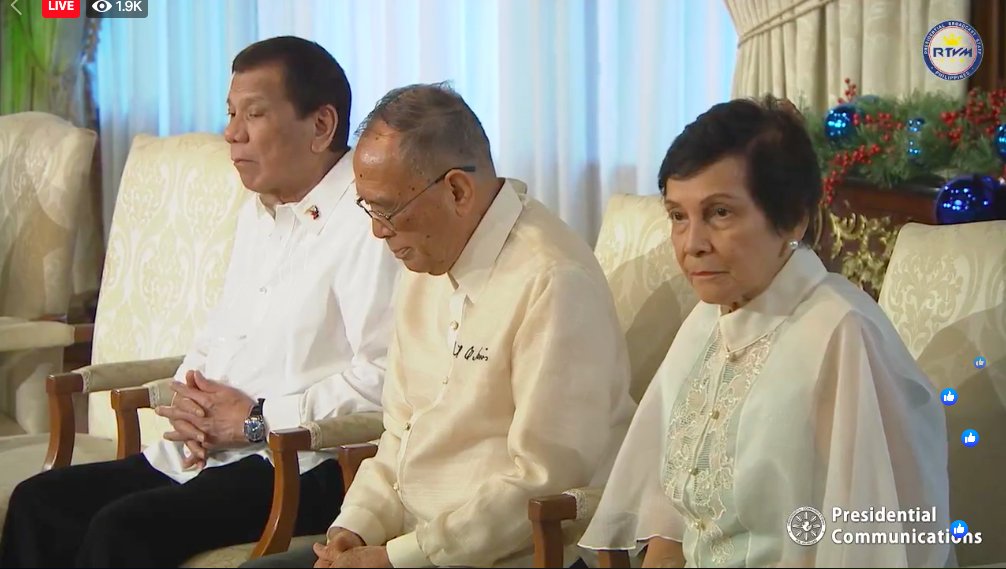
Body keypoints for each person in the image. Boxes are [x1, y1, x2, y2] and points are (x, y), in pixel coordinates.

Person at [0, 36, 399, 568]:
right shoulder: (261, 211)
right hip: (212, 450)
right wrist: (186, 400)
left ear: (321, 126)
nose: (232, 133)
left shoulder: (370, 220)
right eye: (231, 113)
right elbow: (219, 336)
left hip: (303, 462)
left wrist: (257, 419)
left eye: (254, 114)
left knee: (122, 530)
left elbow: (384, 377)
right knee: (39, 502)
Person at [244, 83, 636, 568]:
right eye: (368, 208)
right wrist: (355, 525)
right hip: (409, 542)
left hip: (511, 555)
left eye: (387, 209)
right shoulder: (427, 257)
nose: (377, 230)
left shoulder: (552, 282)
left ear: (457, 190)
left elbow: (544, 480)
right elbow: (400, 432)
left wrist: (397, 558)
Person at [578, 97, 951, 567]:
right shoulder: (706, 320)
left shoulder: (841, 335)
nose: (692, 244)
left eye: (720, 213)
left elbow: (875, 543)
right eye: (677, 215)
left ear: (793, 217)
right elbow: (669, 528)